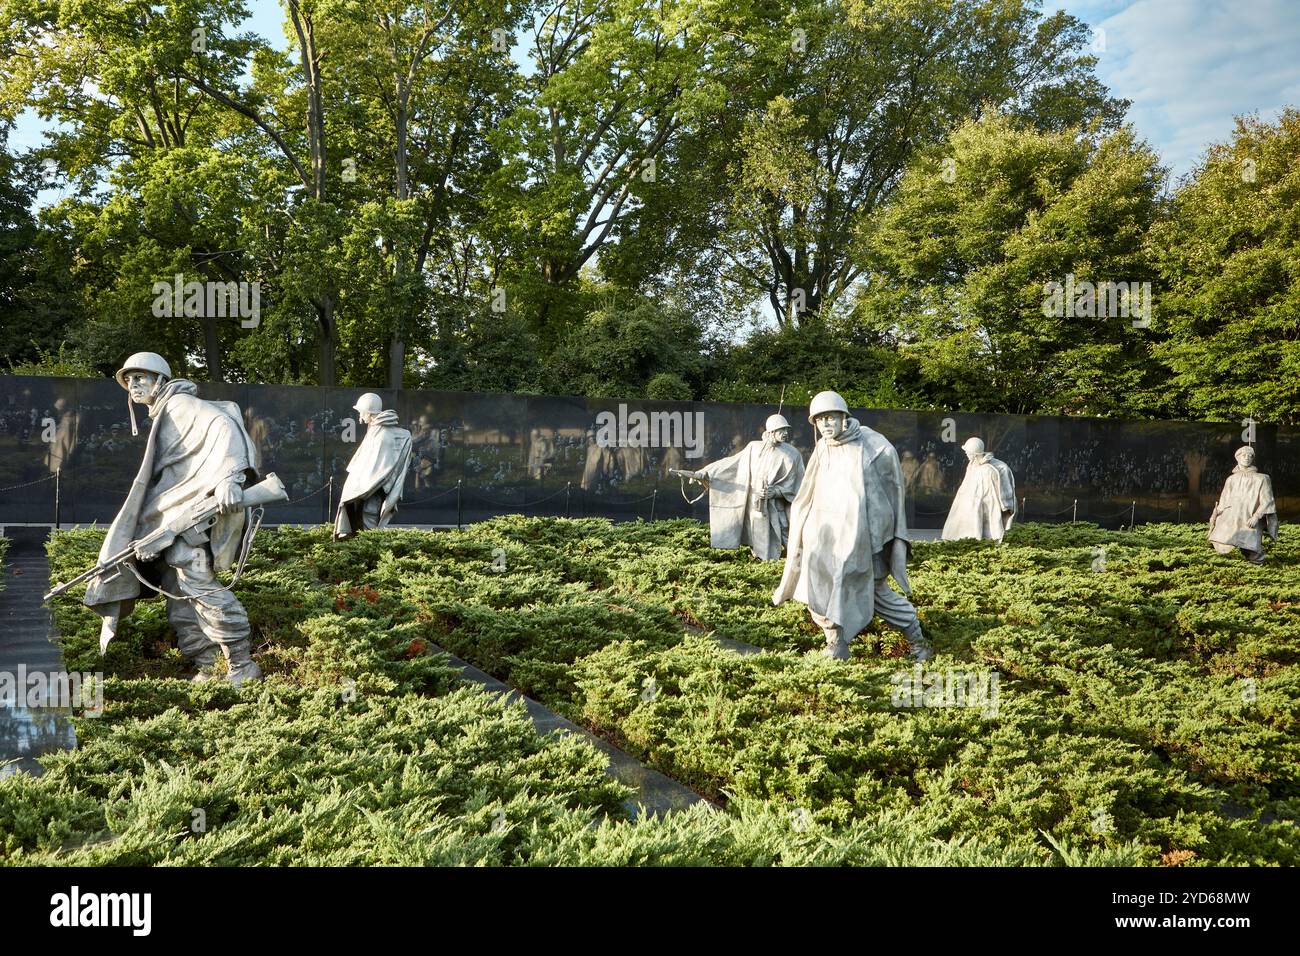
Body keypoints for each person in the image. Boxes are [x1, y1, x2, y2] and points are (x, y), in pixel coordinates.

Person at [83, 352, 263, 686]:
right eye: (130, 380)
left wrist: (230, 477)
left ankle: (241, 664)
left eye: (141, 378)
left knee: (199, 586)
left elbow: (223, 424)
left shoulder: (179, 404)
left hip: (191, 517)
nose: (134, 385)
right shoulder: (165, 409)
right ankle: (208, 662)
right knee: (176, 588)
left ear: (161, 381)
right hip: (171, 516)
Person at [773, 391, 931, 661]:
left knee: (877, 595)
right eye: (820, 420)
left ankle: (918, 642)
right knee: (819, 590)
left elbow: (890, 494)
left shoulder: (874, 446)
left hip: (867, 542)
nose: (825, 424)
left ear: (843, 417)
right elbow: (810, 493)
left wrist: (879, 537)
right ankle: (835, 643)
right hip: (826, 541)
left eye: (830, 417)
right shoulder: (823, 447)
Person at [690, 414, 805, 560]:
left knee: (786, 533)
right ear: (770, 432)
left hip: (776, 505)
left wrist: (775, 492)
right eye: (781, 430)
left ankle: (801, 563)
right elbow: (730, 463)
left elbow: (798, 483)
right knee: (757, 533)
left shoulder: (791, 454)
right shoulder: (753, 448)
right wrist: (705, 472)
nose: (785, 433)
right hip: (754, 502)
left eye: (786, 430)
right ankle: (762, 562)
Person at [334, 393, 413, 538]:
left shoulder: (382, 435)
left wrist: (356, 489)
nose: (359, 417)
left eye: (361, 413)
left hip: (371, 490)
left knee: (368, 527)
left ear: (369, 412)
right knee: (360, 526)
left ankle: (370, 555)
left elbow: (378, 470)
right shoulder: (375, 430)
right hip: (365, 490)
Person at [1209, 446, 1279, 564]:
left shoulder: (1262, 478)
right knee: (1219, 539)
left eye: (1250, 456)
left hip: (1250, 519)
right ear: (1237, 458)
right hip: (1231, 519)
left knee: (1253, 551)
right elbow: (1224, 500)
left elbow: (1267, 501)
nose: (1247, 458)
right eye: (1244, 455)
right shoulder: (1231, 479)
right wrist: (1214, 516)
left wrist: (1256, 517)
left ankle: (1256, 573)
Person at [941, 437, 1017, 542]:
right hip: (968, 503)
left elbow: (995, 496)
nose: (966, 455)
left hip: (984, 504)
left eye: (968, 452)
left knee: (979, 526)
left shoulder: (990, 469)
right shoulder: (972, 465)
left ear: (975, 453)